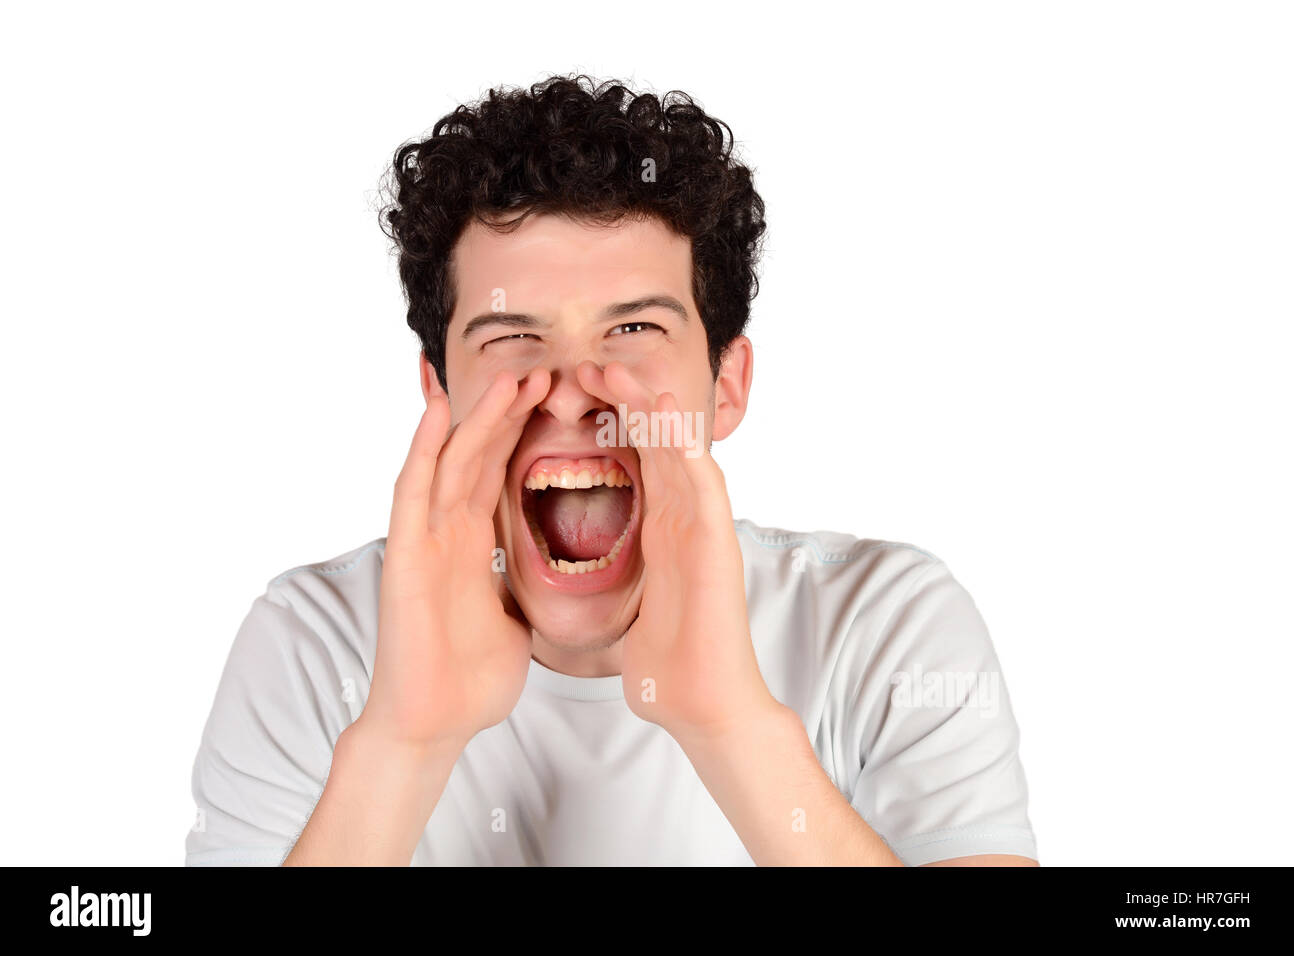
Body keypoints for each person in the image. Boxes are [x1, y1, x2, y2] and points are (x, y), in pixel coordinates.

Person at [186, 75, 1039, 866]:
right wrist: (405, 745)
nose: (568, 396)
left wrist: (729, 725)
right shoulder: (310, 645)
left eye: (633, 332)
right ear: (437, 394)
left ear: (727, 388)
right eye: (513, 336)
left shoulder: (886, 625)